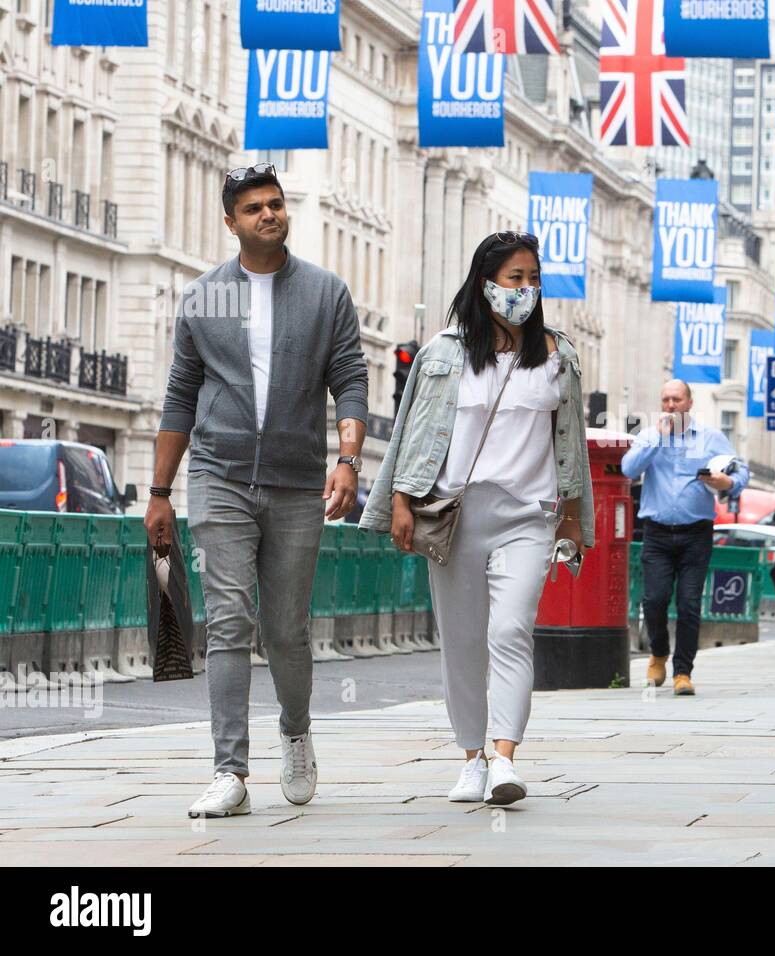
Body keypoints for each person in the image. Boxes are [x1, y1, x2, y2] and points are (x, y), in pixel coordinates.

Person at [149, 163, 370, 818]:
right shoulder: (204, 296)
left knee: (284, 630)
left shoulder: (327, 294)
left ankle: (296, 731)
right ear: (231, 222)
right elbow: (180, 395)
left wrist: (348, 459)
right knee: (226, 620)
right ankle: (229, 771)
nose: (269, 214)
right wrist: (160, 491)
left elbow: (351, 380)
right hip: (217, 475)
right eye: (253, 208)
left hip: (299, 481)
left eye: (275, 204)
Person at [360, 232, 594, 806]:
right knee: (462, 642)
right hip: (454, 515)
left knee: (510, 631)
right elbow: (411, 433)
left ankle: (504, 760)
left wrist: (570, 518)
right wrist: (399, 501)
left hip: (527, 517)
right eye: (515, 278)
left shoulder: (557, 357)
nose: (527, 290)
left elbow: (573, 447)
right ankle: (471, 758)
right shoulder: (444, 352)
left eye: (534, 279)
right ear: (486, 282)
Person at [622, 380, 750, 695]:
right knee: (654, 600)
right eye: (665, 399)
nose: (670, 405)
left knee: (689, 604)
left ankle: (683, 672)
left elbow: (741, 471)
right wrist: (657, 441)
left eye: (676, 399)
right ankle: (659, 653)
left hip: (696, 534)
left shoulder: (711, 438)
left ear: (689, 403)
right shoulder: (650, 436)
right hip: (657, 533)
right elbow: (628, 468)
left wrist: (727, 482)